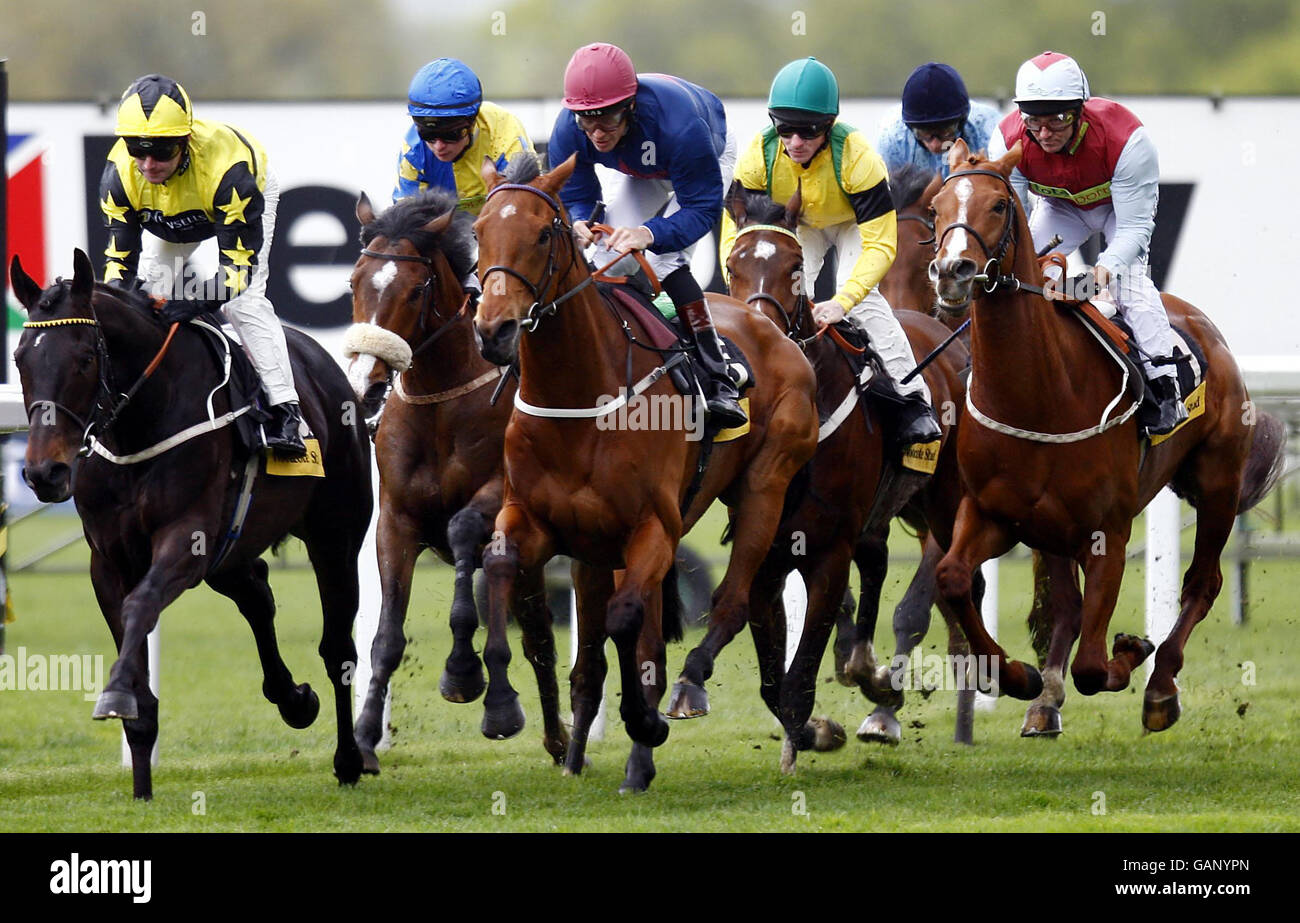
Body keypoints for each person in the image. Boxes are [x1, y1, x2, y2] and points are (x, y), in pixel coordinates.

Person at [719, 57, 941, 446]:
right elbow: (735, 235)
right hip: (803, 224)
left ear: (830, 125)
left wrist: (843, 300)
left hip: (854, 224)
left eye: (808, 131)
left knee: (861, 301)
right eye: (785, 129)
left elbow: (881, 245)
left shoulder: (858, 157)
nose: (795, 142)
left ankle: (913, 399)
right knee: (784, 293)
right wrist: (733, 273)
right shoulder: (759, 153)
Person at [100, 73, 305, 456]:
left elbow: (237, 272)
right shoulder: (118, 177)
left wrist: (196, 303)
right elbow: (118, 271)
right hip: (170, 217)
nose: (148, 164)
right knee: (145, 299)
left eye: (161, 151)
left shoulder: (233, 174)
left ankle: (287, 410)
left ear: (186, 140)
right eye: (137, 150)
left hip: (226, 203)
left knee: (242, 303)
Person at [547, 42, 747, 429]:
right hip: (640, 165)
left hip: (705, 157)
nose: (596, 133)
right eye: (586, 120)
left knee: (663, 257)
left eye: (606, 119)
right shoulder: (569, 127)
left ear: (631, 106)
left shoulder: (681, 127)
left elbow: (701, 210)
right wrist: (580, 220)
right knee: (607, 256)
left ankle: (718, 375)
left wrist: (649, 232)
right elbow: (577, 193)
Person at [987, 51, 1187, 435]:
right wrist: (1033, 265)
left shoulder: (1127, 139)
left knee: (1129, 286)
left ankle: (1166, 388)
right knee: (1010, 269)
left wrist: (1099, 275)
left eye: (1058, 119)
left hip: (1118, 211)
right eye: (1034, 121)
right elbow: (1014, 226)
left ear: (1080, 110)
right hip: (1061, 208)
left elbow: (1132, 231)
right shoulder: (1007, 139)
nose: (1044, 133)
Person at [394, 57, 534, 215]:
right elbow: (407, 221)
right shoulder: (413, 150)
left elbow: (520, 211)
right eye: (428, 134)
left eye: (451, 135)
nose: (438, 146)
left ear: (473, 122)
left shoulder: (505, 135)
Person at [875, 61, 1002, 178]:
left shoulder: (992, 133)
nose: (935, 145)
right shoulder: (891, 140)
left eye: (945, 131)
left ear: (961, 122)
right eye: (923, 133)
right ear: (909, 127)